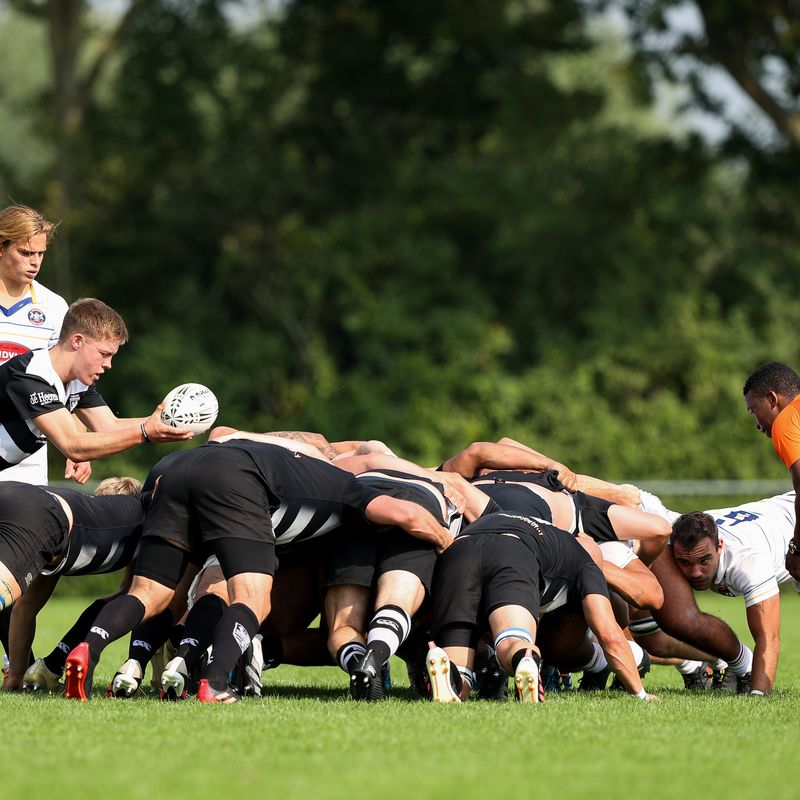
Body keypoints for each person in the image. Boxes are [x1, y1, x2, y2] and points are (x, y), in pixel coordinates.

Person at [62, 439, 452, 703]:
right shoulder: (346, 485)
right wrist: (445, 542)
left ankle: (88, 649)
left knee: (148, 593)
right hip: (237, 481)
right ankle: (213, 685)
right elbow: (405, 513)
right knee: (253, 598)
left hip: (175, 468)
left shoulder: (287, 453)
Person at [426, 511, 658, 703]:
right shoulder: (587, 564)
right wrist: (640, 694)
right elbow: (609, 634)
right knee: (510, 641)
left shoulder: (548, 533)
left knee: (458, 665)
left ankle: (457, 681)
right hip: (512, 553)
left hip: (458, 551)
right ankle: (523, 658)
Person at [0, 296, 193, 473]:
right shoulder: (31, 376)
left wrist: (167, 421)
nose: (108, 364)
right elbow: (73, 444)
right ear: (77, 341)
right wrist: (144, 433)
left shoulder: (78, 380)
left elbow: (110, 425)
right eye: (103, 354)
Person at [0, 204, 74, 486]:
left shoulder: (54, 307)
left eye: (40, 254)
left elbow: (66, 378)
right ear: (1, 247)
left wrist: (77, 445)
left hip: (28, 453)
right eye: (25, 253)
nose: (35, 262)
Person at [743, 362, 800, 580]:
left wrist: (797, 549)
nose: (756, 424)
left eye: (752, 409)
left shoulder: (786, 420)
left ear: (772, 399)